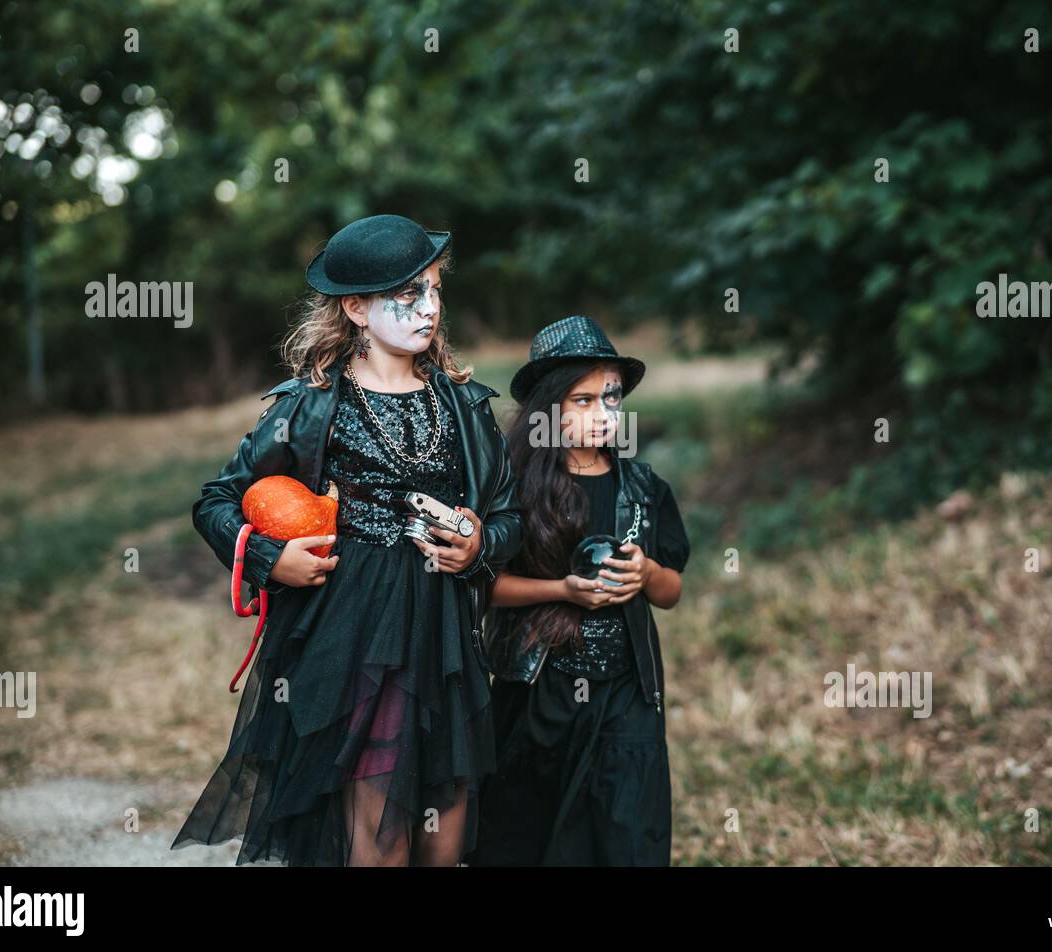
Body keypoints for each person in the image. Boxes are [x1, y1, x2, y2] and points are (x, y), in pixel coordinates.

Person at [170, 214, 522, 866]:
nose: (428, 308)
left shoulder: (463, 405)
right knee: (379, 838)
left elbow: (508, 516)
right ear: (356, 308)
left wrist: (479, 544)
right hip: (354, 634)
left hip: (443, 640)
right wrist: (272, 558)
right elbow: (215, 502)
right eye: (407, 294)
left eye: (435, 290)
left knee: (443, 842)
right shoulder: (310, 405)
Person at [468, 315, 690, 866]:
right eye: (582, 400)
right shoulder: (513, 486)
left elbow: (671, 591)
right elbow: (482, 588)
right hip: (540, 688)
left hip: (626, 692)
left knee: (626, 832)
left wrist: (645, 575)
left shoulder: (641, 487)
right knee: (531, 835)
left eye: (610, 398)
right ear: (549, 408)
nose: (602, 414)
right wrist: (561, 590)